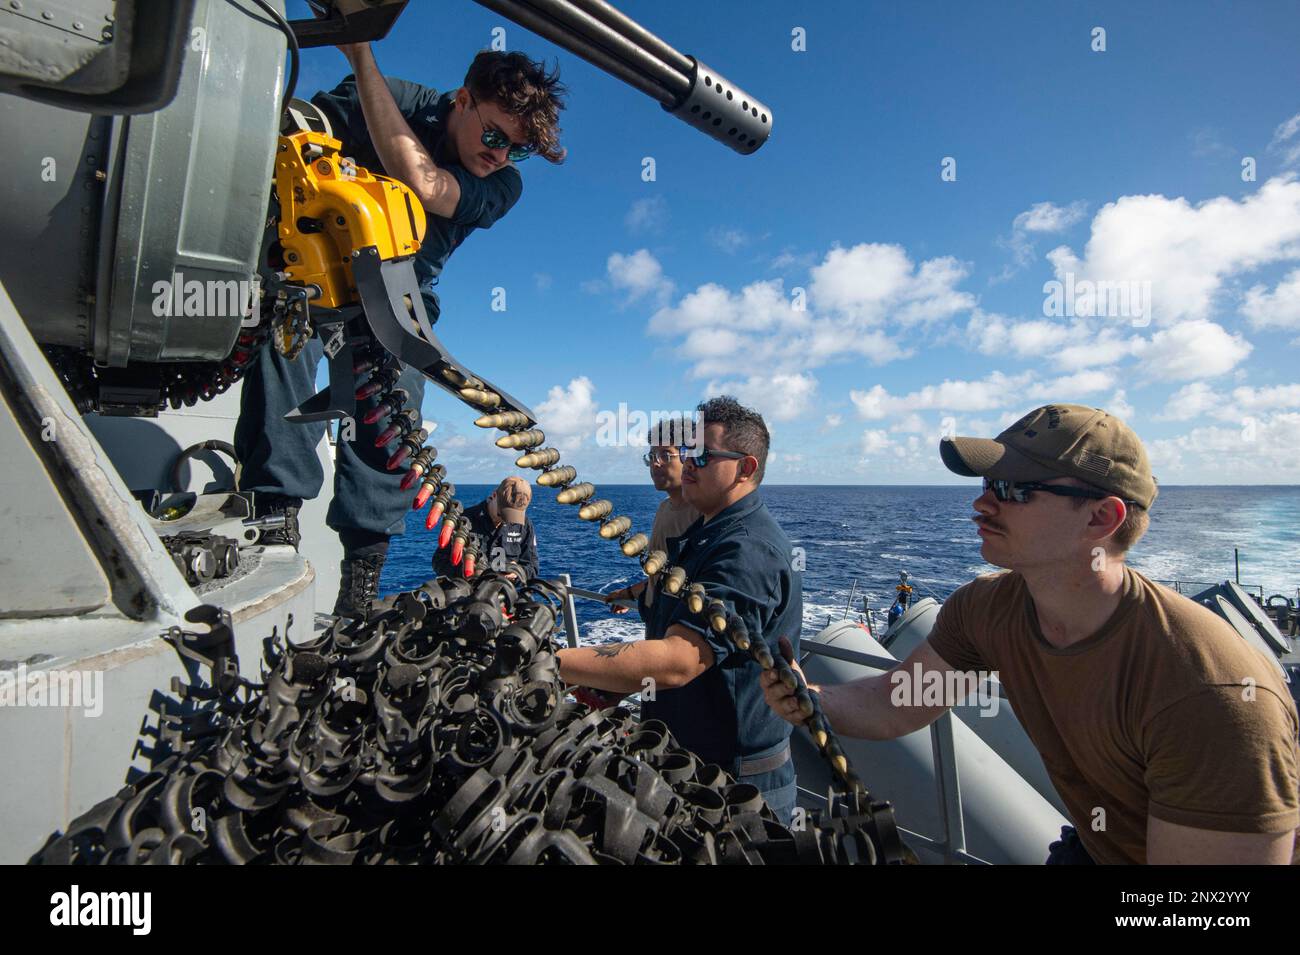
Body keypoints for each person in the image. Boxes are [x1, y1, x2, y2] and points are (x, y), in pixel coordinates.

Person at [762, 403, 1300, 864]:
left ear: (1102, 517)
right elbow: (898, 703)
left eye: (1014, 489)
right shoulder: (989, 609)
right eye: (986, 484)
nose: (982, 504)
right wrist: (812, 701)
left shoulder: (1209, 691)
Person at [234, 42, 566, 618]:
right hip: (313, 274)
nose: (501, 155)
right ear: (462, 100)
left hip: (403, 298)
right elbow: (297, 135)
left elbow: (428, 184)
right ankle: (274, 517)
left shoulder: (503, 186)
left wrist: (361, 55)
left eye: (517, 149)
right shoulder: (404, 100)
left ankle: (360, 584)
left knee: (392, 421)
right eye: (494, 136)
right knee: (281, 354)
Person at [558, 396, 803, 822]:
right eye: (687, 452)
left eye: (703, 456)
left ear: (745, 469)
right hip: (690, 761)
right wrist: (625, 682)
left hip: (735, 788)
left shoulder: (746, 549)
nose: (688, 464)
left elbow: (680, 660)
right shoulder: (708, 533)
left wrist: (548, 662)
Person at [606, 416, 701, 617]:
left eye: (666, 455)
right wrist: (629, 593)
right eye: (652, 456)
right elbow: (662, 575)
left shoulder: (702, 515)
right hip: (656, 620)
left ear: (689, 457)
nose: (655, 464)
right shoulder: (664, 509)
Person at [432, 476, 538, 580]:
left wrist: (518, 572)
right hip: (468, 593)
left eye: (513, 516)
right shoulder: (464, 521)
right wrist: (469, 572)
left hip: (505, 593)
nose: (506, 520)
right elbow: (439, 562)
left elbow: (532, 567)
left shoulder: (525, 525)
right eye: (503, 514)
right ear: (494, 495)